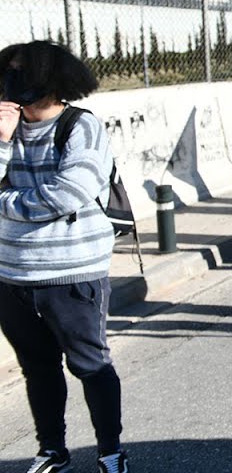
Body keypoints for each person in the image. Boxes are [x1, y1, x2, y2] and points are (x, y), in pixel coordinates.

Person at [0, 41, 131, 473]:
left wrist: (6, 201)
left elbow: (67, 193)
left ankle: (111, 451)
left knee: (91, 365)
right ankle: (52, 450)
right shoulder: (5, 128)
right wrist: (2, 142)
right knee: (37, 369)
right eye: (8, 71)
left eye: (21, 72)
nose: (11, 80)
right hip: (13, 275)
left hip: (72, 274)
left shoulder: (80, 126)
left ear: (49, 79)